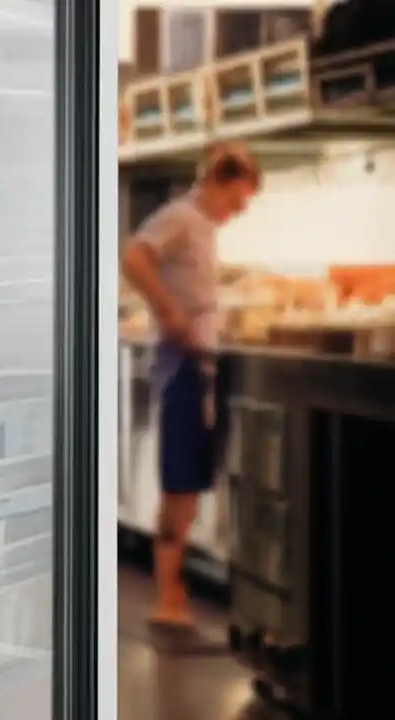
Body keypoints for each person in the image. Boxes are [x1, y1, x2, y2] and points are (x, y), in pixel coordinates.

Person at [121, 143, 261, 627]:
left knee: (193, 476)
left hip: (197, 360)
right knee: (180, 478)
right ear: (218, 183)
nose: (238, 212)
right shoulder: (180, 217)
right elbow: (134, 257)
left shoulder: (202, 226)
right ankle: (169, 596)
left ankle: (173, 591)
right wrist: (169, 312)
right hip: (181, 361)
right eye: (237, 201)